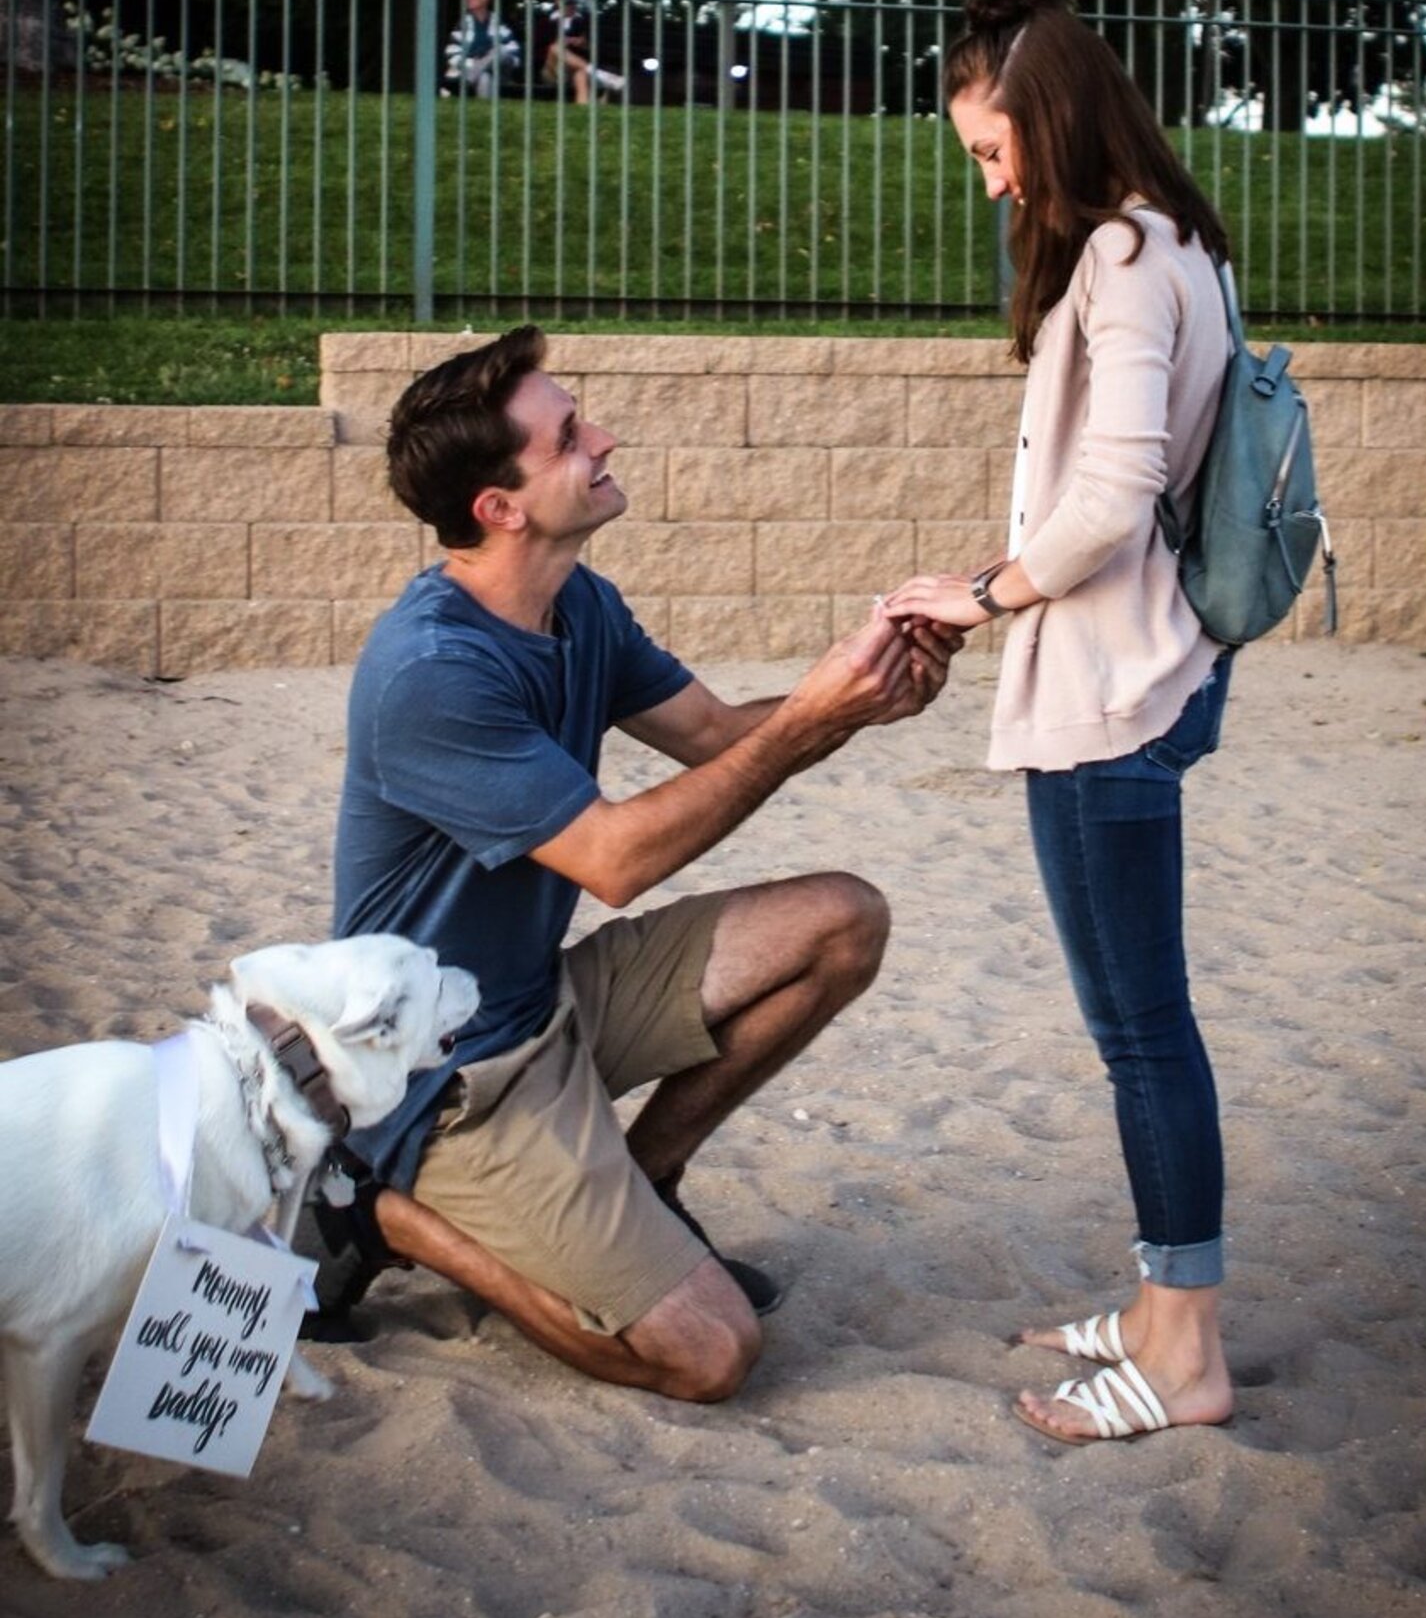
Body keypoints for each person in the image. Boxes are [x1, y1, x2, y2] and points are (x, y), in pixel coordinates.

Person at [310, 324, 958, 1403]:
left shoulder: (578, 605)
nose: (602, 437)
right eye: (568, 435)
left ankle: (646, 1181)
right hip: (443, 1082)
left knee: (842, 920)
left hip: (542, 1003)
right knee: (708, 1357)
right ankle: (385, 1216)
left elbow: (714, 736)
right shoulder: (431, 670)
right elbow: (615, 860)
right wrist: (807, 721)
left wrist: (867, 697)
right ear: (498, 507)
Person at [884, 0, 1237, 1447]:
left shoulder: (1118, 259)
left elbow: (1112, 491)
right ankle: (1158, 1314)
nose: (987, 184)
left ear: (1047, 117)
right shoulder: (1180, 246)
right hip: (1139, 671)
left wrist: (985, 591)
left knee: (1139, 1030)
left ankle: (1188, 1353)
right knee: (1134, 1024)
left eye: (989, 150)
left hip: (1108, 688)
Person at [538, 0, 624, 104]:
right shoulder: (545, 23)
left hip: (577, 67)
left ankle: (582, 109)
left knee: (581, 74)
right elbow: (537, 50)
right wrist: (561, 43)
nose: (571, 6)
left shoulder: (585, 22)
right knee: (554, 47)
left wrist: (583, 44)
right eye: (567, 3)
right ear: (557, 2)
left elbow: (598, 49)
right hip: (552, 68)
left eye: (573, 3)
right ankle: (601, 76)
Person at [444, 0, 521, 98]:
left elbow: (514, 55)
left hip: (499, 71)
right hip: (471, 70)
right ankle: (483, 109)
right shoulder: (463, 24)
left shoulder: (498, 21)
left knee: (500, 51)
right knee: (484, 76)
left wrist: (488, 61)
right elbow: (452, 54)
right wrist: (474, 64)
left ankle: (469, 80)